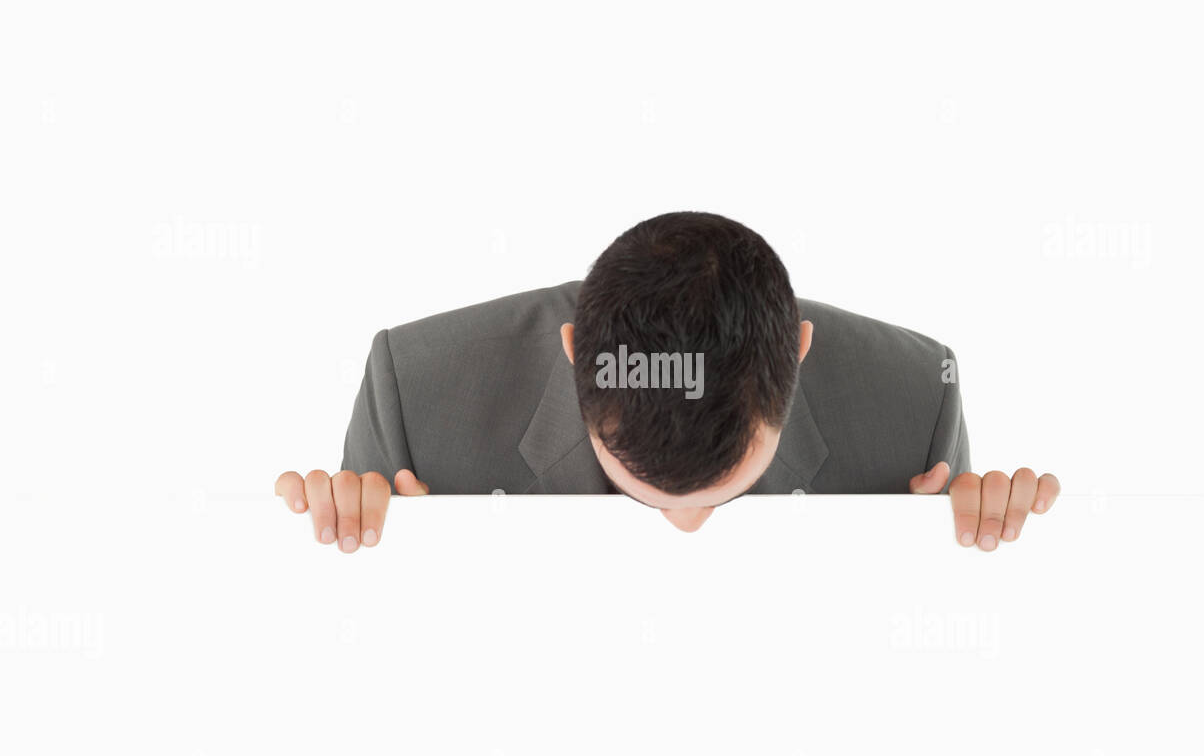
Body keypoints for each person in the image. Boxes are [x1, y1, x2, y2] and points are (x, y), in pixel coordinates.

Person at [275, 211, 1059, 549]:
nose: (686, 531)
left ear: (802, 350)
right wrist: (358, 549)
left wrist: (971, 548)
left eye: (721, 489)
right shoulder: (415, 390)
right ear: (579, 355)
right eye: (646, 487)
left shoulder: (913, 400)